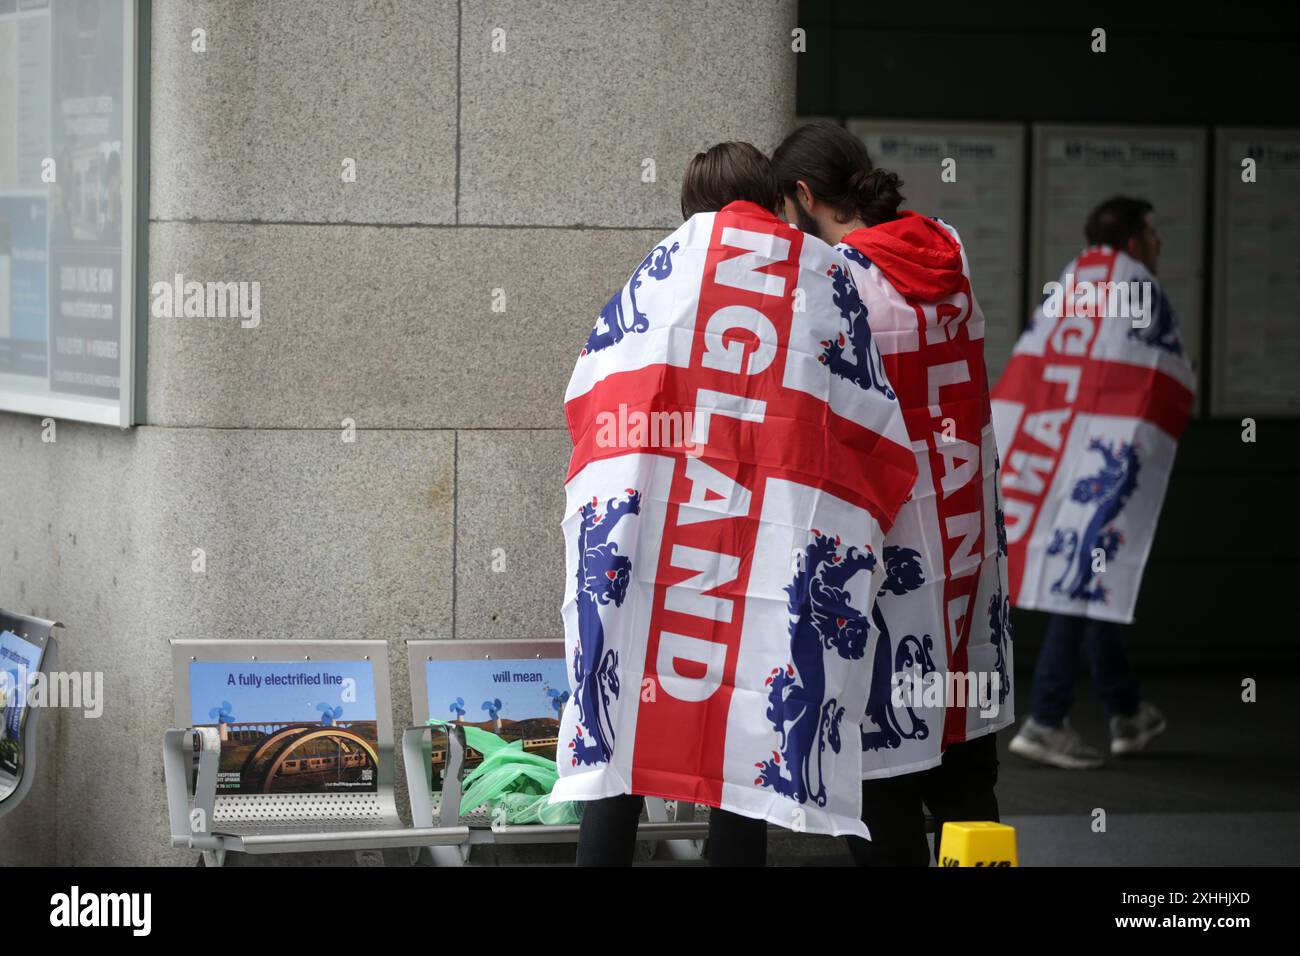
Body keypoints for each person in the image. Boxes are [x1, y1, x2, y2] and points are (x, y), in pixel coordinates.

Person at [564, 141, 916, 865]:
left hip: (652, 538)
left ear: (690, 207)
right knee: (745, 724)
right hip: (767, 544)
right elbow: (874, 428)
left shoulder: (656, 276)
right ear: (774, 198)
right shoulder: (820, 278)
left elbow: (589, 403)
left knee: (619, 709)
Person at [771, 121, 1012, 865]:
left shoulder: (838, 278)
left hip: (894, 536)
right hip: (966, 531)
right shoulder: (947, 247)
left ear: (804, 197)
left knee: (884, 757)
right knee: (966, 755)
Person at [997, 197, 1193, 769]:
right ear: (1134, 240)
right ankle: (1047, 718)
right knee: (1083, 574)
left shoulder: (1072, 283)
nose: (1158, 244)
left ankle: (1125, 710)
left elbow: (1032, 364)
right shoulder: (1139, 288)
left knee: (1086, 572)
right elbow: (1169, 373)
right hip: (1102, 457)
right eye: (1153, 234)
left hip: (1051, 453)